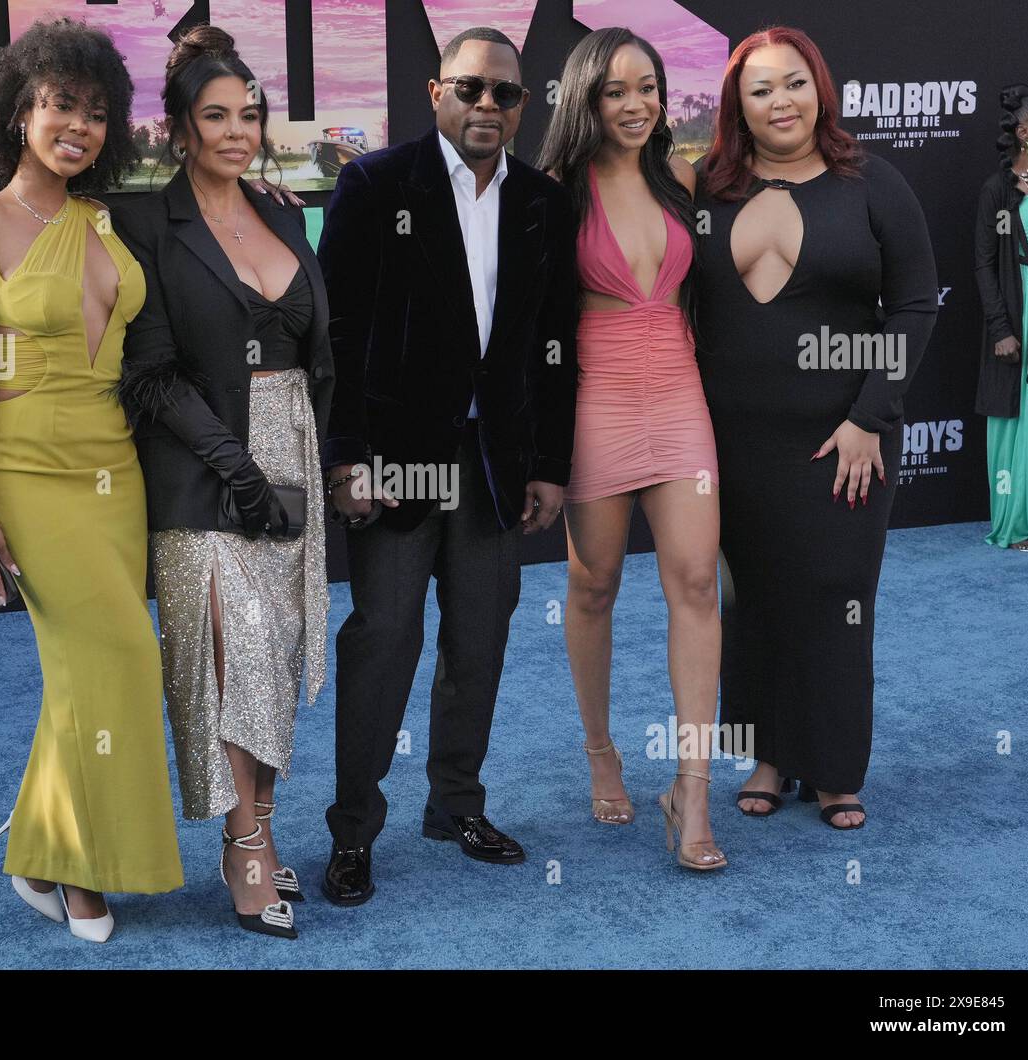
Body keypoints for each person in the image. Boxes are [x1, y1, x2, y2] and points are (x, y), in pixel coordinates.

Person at [0, 17, 183, 943]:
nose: (77, 125)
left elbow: (204, 205)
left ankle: (41, 851)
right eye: (59, 106)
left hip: (115, 473)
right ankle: (81, 872)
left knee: (83, 675)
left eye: (94, 112)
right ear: (18, 112)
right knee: (118, 656)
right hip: (27, 479)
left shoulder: (106, 220)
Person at [317, 26, 578, 905]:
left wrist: (548, 461)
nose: (487, 106)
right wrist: (345, 457)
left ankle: (456, 804)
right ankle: (353, 829)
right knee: (384, 640)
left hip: (494, 464)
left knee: (482, 639)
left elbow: (553, 343)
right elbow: (339, 337)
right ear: (436, 93)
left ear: (523, 104)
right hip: (395, 464)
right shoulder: (374, 184)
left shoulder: (543, 199)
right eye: (471, 89)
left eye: (505, 93)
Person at [112, 24, 333, 941]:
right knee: (229, 658)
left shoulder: (283, 209)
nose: (237, 131)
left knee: (272, 667)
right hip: (205, 470)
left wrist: (316, 456)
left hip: (295, 457)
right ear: (179, 128)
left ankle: (265, 833)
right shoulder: (145, 227)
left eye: (250, 114)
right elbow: (151, 376)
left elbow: (316, 348)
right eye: (217, 117)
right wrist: (239, 467)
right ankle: (244, 846)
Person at [695, 26, 938, 829]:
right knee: (754, 596)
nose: (780, 102)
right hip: (732, 440)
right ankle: (768, 755)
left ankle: (835, 770)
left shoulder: (870, 181)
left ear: (819, 87)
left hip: (846, 439)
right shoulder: (707, 187)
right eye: (760, 89)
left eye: (793, 83)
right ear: (738, 104)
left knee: (837, 596)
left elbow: (911, 305)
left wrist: (871, 415)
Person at [536, 27, 724, 869]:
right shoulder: (555, 193)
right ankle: (601, 752)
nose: (637, 104)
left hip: (679, 397)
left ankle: (692, 793)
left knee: (694, 580)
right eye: (616, 91)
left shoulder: (681, 179)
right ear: (586, 98)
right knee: (595, 583)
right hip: (595, 401)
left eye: (647, 87)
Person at [976, 83, 1028, 553]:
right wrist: (1001, 329)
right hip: (1020, 306)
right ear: (1025, 132)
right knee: (1020, 417)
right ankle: (1021, 523)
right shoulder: (998, 190)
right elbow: (984, 263)